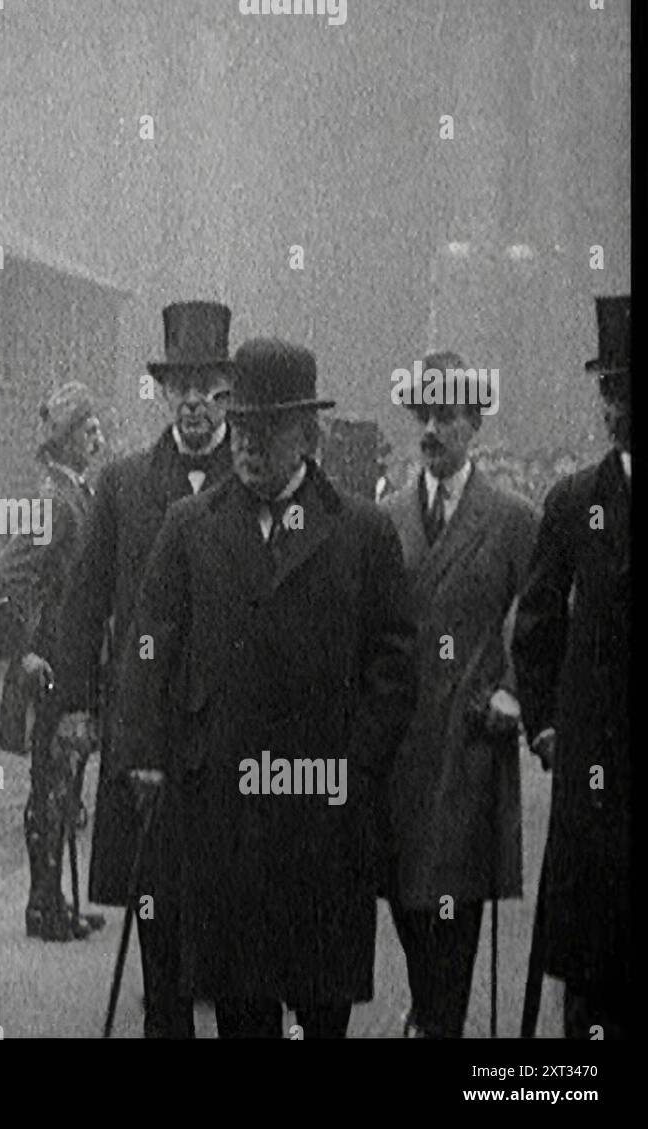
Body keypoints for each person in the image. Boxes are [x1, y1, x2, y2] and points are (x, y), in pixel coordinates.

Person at [117, 338, 416, 1038]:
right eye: (242, 428)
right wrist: (150, 751)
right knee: (241, 1011)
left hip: (324, 823)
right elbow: (149, 643)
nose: (248, 446)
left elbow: (395, 663)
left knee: (321, 1009)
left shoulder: (361, 533)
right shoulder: (191, 528)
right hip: (225, 816)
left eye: (268, 430)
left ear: (308, 436)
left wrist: (357, 763)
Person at [54, 302, 235, 1035]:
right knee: (156, 910)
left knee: (228, 927)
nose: (192, 401)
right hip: (150, 737)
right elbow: (82, 600)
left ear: (228, 390)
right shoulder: (125, 485)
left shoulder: (252, 477)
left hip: (229, 733)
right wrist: (75, 704)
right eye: (179, 386)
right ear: (163, 393)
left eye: (207, 385)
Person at [380, 351, 539, 1038]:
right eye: (425, 415)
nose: (433, 429)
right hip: (402, 746)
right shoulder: (384, 518)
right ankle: (429, 1004)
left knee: (452, 903)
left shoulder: (511, 519)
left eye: (448, 416)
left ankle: (439, 1022)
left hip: (469, 745)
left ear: (475, 424)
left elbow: (534, 622)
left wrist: (512, 691)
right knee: (406, 899)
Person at [513, 295, 631, 1040]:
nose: (619, 408)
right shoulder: (575, 501)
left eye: (631, 390)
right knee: (593, 973)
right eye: (611, 391)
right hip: (597, 772)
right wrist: (548, 723)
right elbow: (536, 623)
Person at [0, 381, 107, 940]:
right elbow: (8, 577)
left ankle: (55, 900)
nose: (99, 439)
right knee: (52, 785)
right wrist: (24, 650)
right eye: (88, 430)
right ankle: (43, 906)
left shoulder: (74, 495)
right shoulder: (51, 502)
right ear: (65, 441)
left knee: (66, 780)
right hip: (55, 664)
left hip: (74, 662)